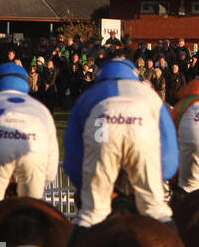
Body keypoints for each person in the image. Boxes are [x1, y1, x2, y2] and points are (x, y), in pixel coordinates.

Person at [64, 57, 179, 229]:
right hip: (140, 131)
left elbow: (73, 148)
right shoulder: (149, 94)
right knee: (156, 210)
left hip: (102, 129)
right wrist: (162, 175)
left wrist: (83, 183)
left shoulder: (89, 95)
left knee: (92, 213)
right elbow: (168, 143)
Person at [0, 62, 60, 210]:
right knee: (33, 209)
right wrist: (41, 184)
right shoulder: (41, 108)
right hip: (34, 151)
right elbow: (52, 158)